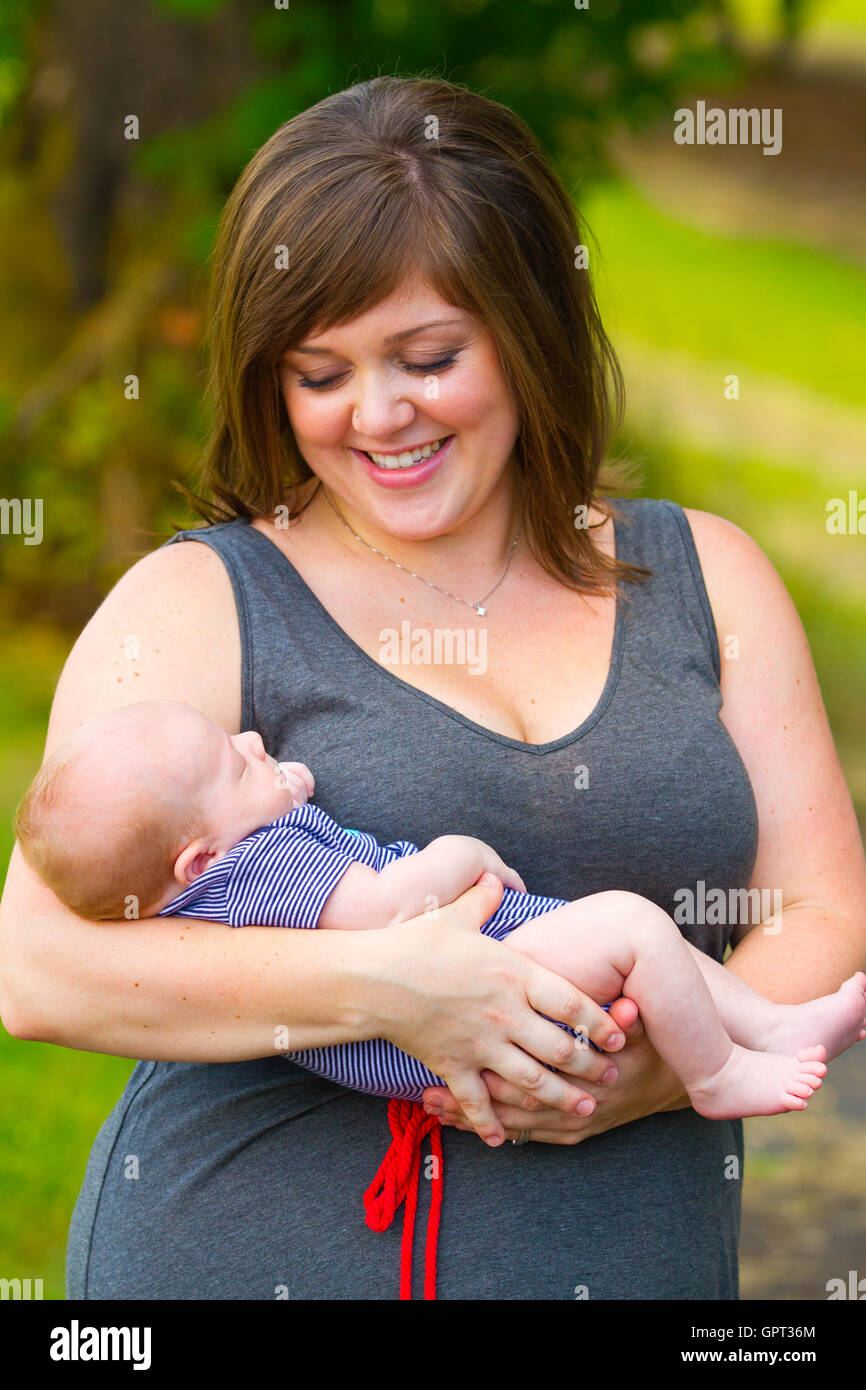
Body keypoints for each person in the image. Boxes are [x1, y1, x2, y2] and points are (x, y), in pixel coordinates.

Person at [1, 75, 864, 1301]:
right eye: (319, 372)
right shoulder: (201, 600)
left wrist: (646, 1071)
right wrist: (392, 990)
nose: (377, 414)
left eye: (426, 356)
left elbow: (824, 916)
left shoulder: (704, 577)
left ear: (525, 331)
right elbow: (39, 966)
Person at [15, 697, 864, 1119]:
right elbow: (384, 910)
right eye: (237, 768)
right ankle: (716, 1076)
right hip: (448, 1010)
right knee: (638, 927)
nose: (251, 743)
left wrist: (275, 790)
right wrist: (460, 855)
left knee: (653, 948)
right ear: (198, 859)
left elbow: (319, 868)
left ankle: (772, 1027)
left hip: (461, 995)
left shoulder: (230, 867)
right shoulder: (254, 870)